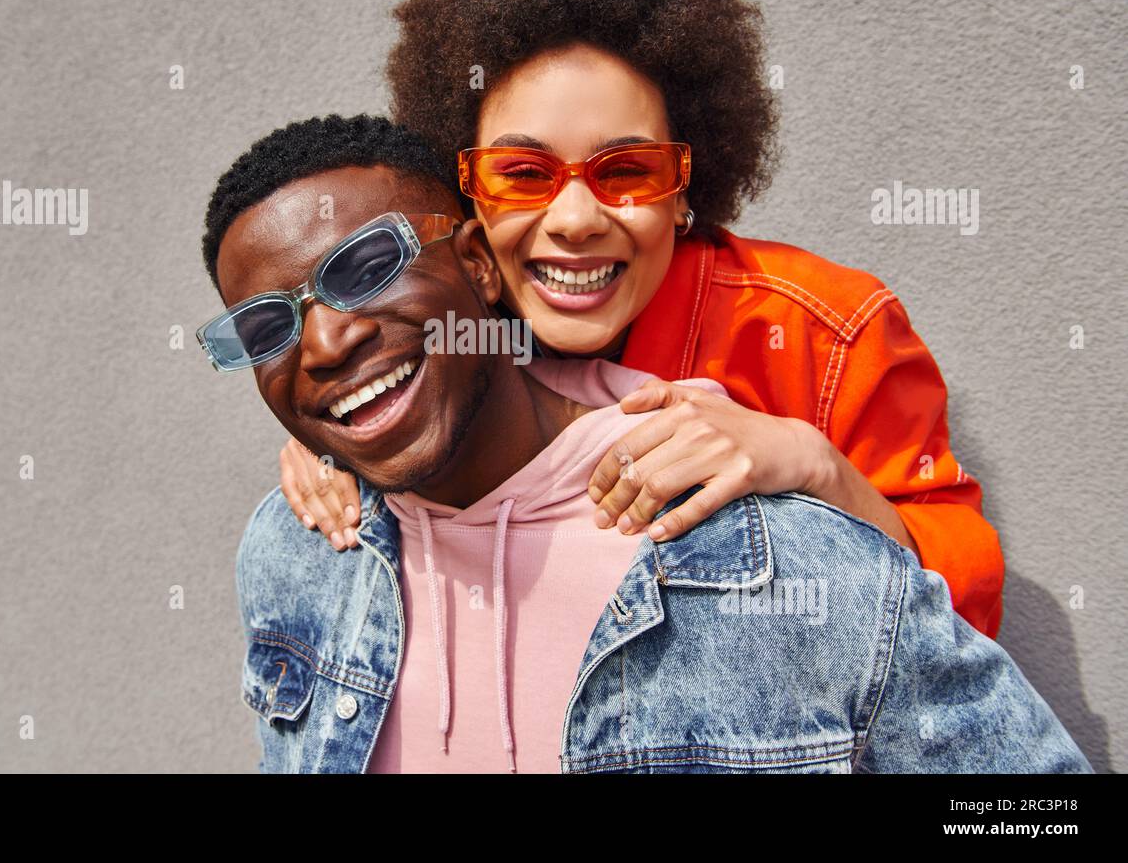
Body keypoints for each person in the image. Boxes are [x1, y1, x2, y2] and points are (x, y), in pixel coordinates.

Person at [198, 114, 1088, 773]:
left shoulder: (765, 554)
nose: (322, 345)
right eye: (267, 326)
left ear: (477, 264)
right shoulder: (296, 549)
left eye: (366, 268)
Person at [278, 0, 1005, 639]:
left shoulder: (828, 331)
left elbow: (965, 623)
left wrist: (816, 467)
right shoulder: (455, 335)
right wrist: (339, 443)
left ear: (686, 187)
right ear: (468, 198)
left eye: (627, 170)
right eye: (523, 173)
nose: (574, 217)